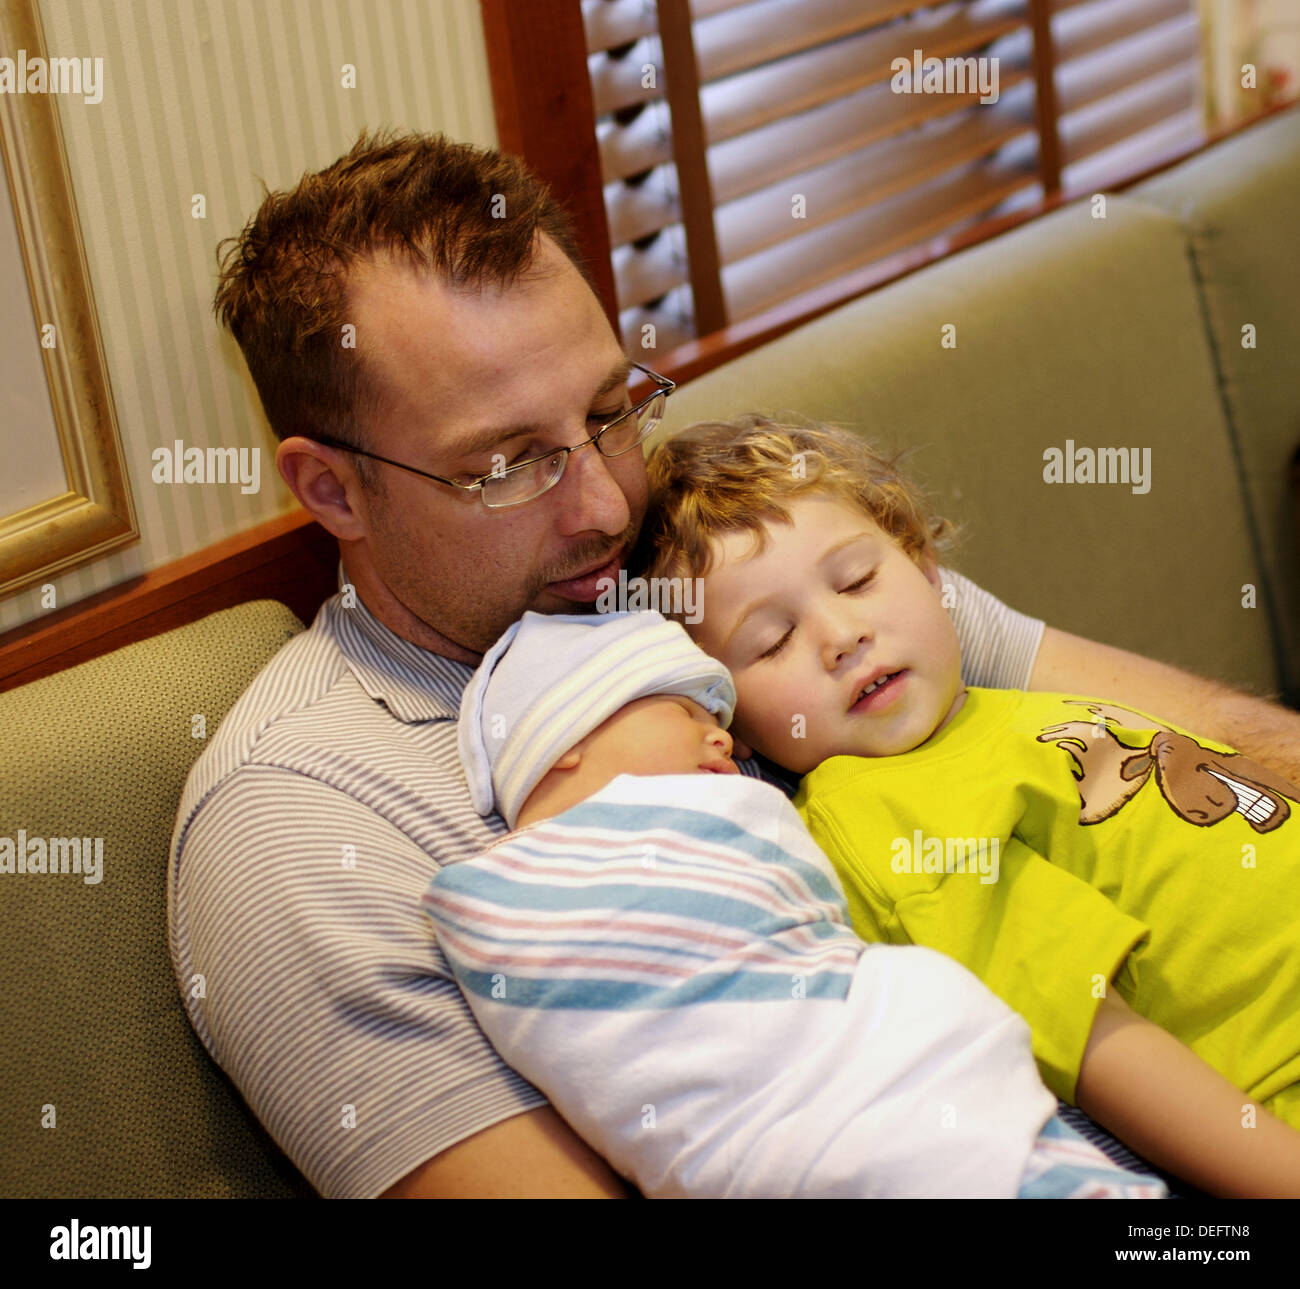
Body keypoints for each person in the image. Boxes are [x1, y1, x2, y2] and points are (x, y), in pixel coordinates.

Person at [173, 127, 1300, 1199]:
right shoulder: (305, 830)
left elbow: (1219, 749)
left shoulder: (733, 566)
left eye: (611, 411)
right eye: (506, 464)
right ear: (330, 488)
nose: (606, 501)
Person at [642, 414, 1300, 1198]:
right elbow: (1098, 1042)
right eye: (773, 639)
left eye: (855, 580)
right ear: (728, 720)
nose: (843, 634)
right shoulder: (882, 812)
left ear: (924, 566)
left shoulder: (992, 711)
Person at [422, 608, 1168, 1199]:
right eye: (685, 713)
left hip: (914, 1090)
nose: (723, 739)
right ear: (566, 744)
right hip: (812, 1131)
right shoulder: (502, 898)